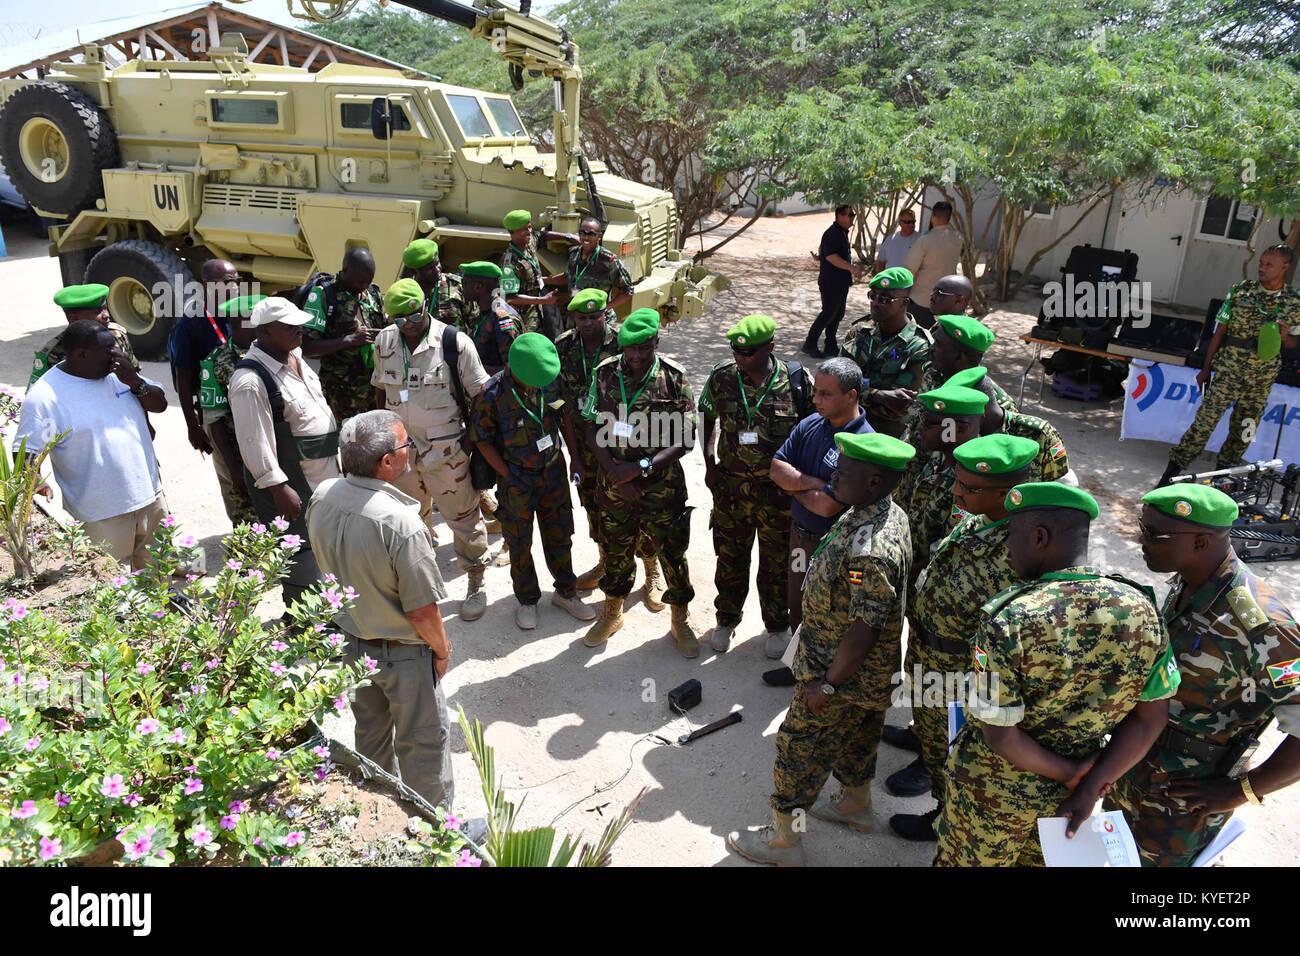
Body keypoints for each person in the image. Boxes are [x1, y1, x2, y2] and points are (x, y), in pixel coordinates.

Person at [934, 482, 1178, 866]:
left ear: (1038, 537)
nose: (1008, 549)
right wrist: (1090, 785)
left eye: (1011, 538)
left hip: (992, 794)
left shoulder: (1008, 620)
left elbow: (1000, 735)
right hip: (1072, 802)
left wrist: (1071, 773)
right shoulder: (1143, 609)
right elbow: (1151, 718)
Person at [727, 432, 915, 866]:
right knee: (858, 739)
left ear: (873, 481)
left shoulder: (872, 548)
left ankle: (783, 841)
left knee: (798, 751)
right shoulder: (884, 513)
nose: (834, 473)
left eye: (844, 470)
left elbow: (864, 627)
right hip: (868, 675)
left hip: (840, 673)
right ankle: (854, 805)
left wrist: (826, 686)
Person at [1103, 483, 1300, 865]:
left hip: (1183, 802)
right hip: (1135, 770)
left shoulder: (1261, 623)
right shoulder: (1188, 583)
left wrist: (1240, 792)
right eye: (1141, 528)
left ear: (1200, 542)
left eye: (1152, 534)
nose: (1140, 541)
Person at [888, 434, 1038, 842]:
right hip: (927, 650)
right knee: (932, 732)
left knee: (952, 752)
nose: (956, 491)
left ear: (1008, 494)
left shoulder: (1020, 548)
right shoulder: (976, 519)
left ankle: (944, 816)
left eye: (968, 486)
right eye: (958, 480)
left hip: (958, 673)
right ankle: (928, 757)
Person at [305, 410, 455, 808]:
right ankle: (436, 837)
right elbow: (423, 612)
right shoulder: (400, 523)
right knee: (423, 745)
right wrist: (441, 651)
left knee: (370, 735)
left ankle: (378, 817)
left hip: (350, 645)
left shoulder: (322, 496)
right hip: (403, 657)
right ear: (387, 462)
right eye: (407, 445)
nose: (412, 450)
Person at [371, 278, 492, 621]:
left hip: (447, 453)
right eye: (397, 320)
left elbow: (481, 398)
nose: (405, 327)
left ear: (426, 305)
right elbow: (380, 389)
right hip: (402, 455)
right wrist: (383, 435)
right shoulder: (384, 342)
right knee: (411, 519)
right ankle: (421, 581)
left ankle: (476, 578)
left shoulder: (454, 343)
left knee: (464, 517)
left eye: (412, 317)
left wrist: (468, 443)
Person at [580, 308, 699, 656]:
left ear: (656, 343)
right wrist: (615, 471)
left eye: (643, 349)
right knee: (616, 549)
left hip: (662, 487)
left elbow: (687, 436)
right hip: (615, 483)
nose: (635, 357)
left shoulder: (674, 378)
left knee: (673, 554)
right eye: (629, 349)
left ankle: (680, 619)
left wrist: (641, 468)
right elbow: (590, 424)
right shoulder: (603, 374)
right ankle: (612, 612)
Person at [700, 315, 814, 655]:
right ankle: (726, 619)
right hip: (731, 489)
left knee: (777, 562)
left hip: (777, 494)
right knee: (729, 556)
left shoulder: (796, 381)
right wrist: (709, 463)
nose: (740, 359)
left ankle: (776, 625)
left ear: (770, 348)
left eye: (748, 353)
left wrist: (802, 485)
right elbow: (707, 417)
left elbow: (811, 431)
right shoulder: (722, 377)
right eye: (736, 351)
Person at [16, 320, 168, 570]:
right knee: (111, 589)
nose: (116, 355)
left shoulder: (120, 374)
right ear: (81, 354)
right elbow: (27, 450)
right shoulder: (45, 397)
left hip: (151, 499)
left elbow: (159, 404)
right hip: (100, 513)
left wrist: (134, 381)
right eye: (108, 350)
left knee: (158, 578)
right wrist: (38, 481)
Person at [468, 332, 595, 629]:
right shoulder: (491, 395)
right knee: (519, 541)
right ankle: (526, 600)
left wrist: (575, 458)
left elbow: (564, 417)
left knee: (560, 534)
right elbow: (482, 440)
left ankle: (565, 591)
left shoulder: (551, 379)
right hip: (516, 479)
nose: (539, 385)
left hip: (552, 471)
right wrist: (506, 472)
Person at [765, 357, 874, 685]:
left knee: (828, 614)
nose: (815, 400)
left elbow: (827, 507)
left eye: (826, 394)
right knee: (797, 604)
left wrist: (794, 486)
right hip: (801, 536)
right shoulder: (811, 424)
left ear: (852, 396)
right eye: (815, 392)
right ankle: (799, 665)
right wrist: (814, 483)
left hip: (832, 548)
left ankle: (825, 680)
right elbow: (775, 468)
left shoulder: (863, 443)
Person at [228, 297, 340, 605]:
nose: (299, 330)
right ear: (264, 332)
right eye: (289, 326)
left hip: (324, 476)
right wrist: (279, 489)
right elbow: (254, 442)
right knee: (300, 553)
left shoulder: (295, 357)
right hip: (294, 482)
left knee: (324, 549)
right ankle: (302, 621)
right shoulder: (249, 381)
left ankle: (325, 614)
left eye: (299, 323)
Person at [1158, 245, 1300, 486]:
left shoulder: (1294, 302)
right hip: (1227, 372)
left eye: (1269, 265)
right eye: (1261, 263)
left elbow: (1293, 344)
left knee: (1244, 431)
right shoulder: (1241, 292)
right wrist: (1206, 369)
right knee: (1203, 425)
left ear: (1284, 267)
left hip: (1261, 381)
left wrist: (1286, 338)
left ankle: (1221, 482)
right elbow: (1219, 332)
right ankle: (1168, 477)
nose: (1262, 268)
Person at [554, 289, 662, 599]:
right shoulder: (564, 347)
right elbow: (563, 407)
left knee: (636, 507)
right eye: (582, 317)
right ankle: (606, 561)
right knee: (594, 506)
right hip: (583, 443)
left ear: (606, 314)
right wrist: (573, 455)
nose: (588, 323)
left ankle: (651, 569)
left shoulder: (623, 343)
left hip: (623, 447)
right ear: (574, 317)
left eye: (595, 316)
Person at [168, 259, 250, 525]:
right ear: (208, 285)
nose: (235, 287)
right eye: (228, 282)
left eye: (237, 281)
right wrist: (192, 426)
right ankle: (243, 541)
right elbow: (184, 378)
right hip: (218, 416)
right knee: (233, 479)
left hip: (250, 407)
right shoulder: (191, 323)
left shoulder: (242, 312)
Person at [839, 267, 932, 437]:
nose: (876, 303)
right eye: (873, 296)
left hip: (888, 435)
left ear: (905, 302)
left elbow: (901, 406)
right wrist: (879, 395)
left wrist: (857, 393)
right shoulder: (859, 331)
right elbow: (837, 383)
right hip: (848, 424)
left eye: (885, 299)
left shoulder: (919, 346)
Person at [301, 247, 386, 423]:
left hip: (374, 390)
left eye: (368, 281)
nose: (364, 287)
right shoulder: (324, 295)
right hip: (342, 395)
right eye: (361, 281)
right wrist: (348, 341)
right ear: (345, 271)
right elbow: (307, 347)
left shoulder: (373, 293)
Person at [963, 366, 1070, 482]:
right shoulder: (958, 437)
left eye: (960, 414)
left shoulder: (1041, 435)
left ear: (982, 408)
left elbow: (1062, 486)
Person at [31, 283, 139, 388]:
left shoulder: (118, 335)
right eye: (97, 312)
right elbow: (39, 390)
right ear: (73, 318)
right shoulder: (53, 353)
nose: (106, 315)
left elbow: (135, 370)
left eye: (105, 308)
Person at [548, 216, 634, 323]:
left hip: (599, 320)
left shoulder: (608, 260)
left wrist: (605, 308)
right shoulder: (574, 253)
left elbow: (628, 291)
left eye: (591, 234)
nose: (585, 237)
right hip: (576, 318)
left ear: (599, 236)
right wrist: (543, 280)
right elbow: (568, 277)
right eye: (582, 232)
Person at [802, 205, 862, 358]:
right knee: (828, 313)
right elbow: (831, 256)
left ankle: (830, 344)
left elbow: (824, 251)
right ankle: (810, 343)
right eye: (849, 215)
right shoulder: (833, 233)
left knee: (837, 314)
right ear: (839, 216)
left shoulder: (840, 233)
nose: (852, 218)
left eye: (853, 215)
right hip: (831, 282)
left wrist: (819, 256)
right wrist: (852, 268)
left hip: (840, 282)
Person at [500, 209, 563, 338]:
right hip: (525, 317)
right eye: (524, 229)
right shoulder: (509, 262)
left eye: (529, 226)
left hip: (539, 309)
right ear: (512, 232)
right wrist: (543, 300)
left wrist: (569, 237)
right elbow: (510, 297)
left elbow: (542, 235)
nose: (529, 231)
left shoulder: (529, 244)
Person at [903, 201, 964, 329]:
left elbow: (909, 272)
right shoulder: (958, 238)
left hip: (922, 300)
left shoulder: (925, 240)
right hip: (947, 300)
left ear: (933, 216)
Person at [402, 237, 466, 331]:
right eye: (430, 268)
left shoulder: (456, 285)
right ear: (415, 271)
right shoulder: (405, 292)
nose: (437, 270)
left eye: (437, 263)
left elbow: (475, 322)